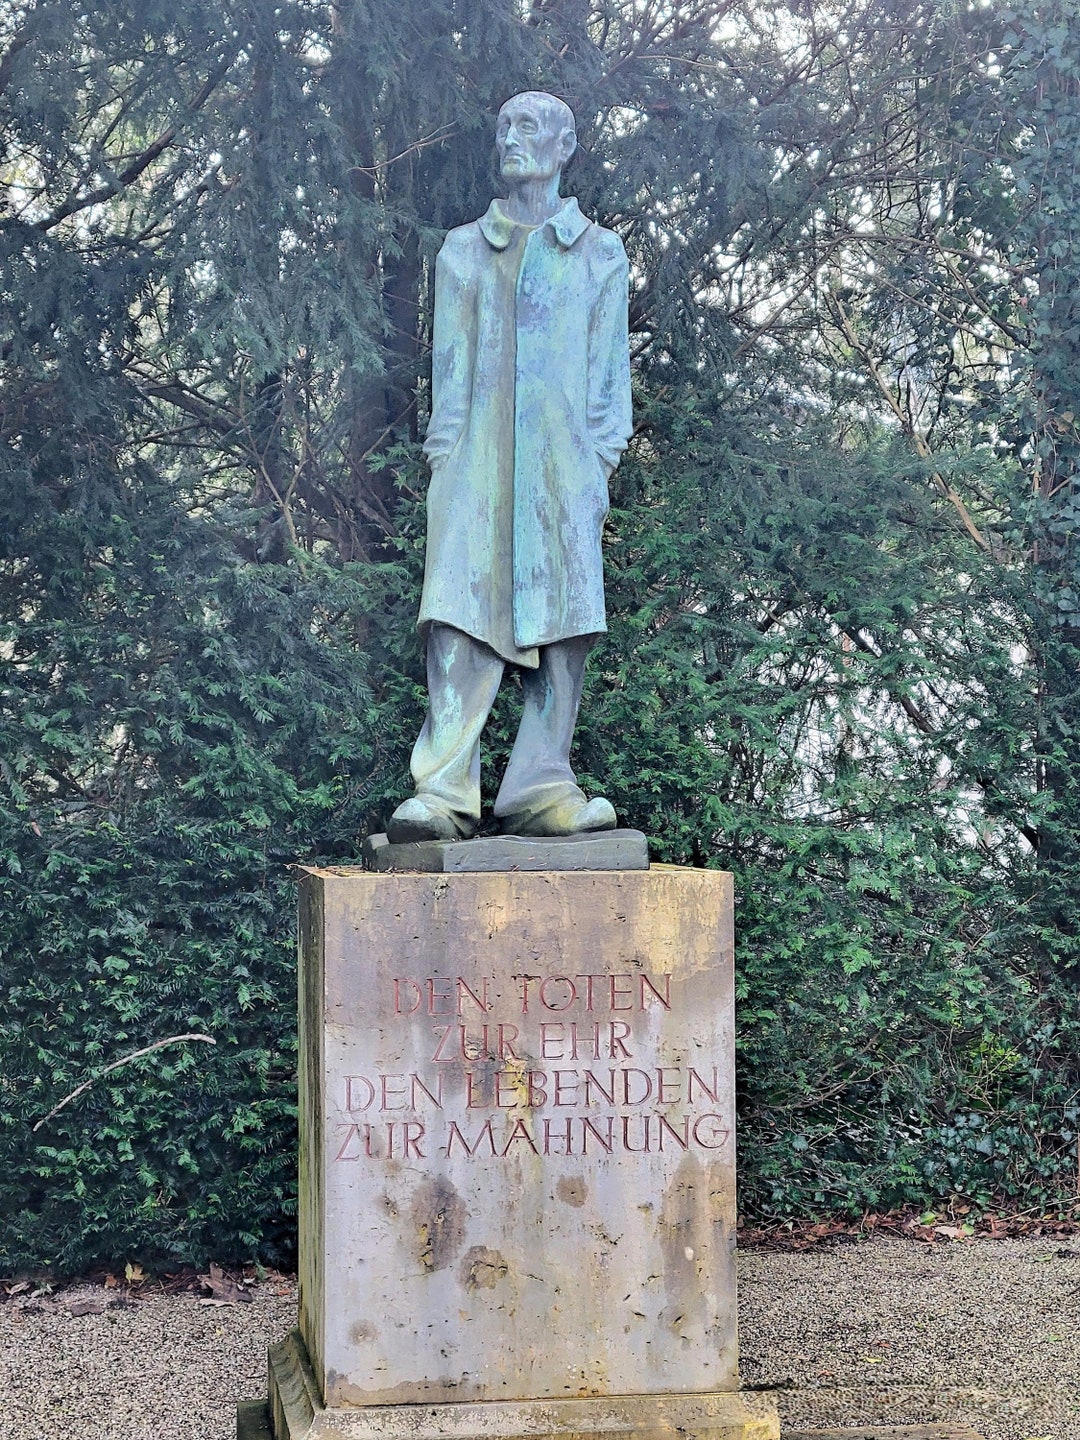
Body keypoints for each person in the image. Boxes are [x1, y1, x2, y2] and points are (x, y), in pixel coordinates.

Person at [387, 91, 633, 843]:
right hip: (475, 468)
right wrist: (443, 465)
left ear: (565, 147)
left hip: (564, 471)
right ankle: (443, 789)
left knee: (564, 630)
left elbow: (607, 384)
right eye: (503, 129)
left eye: (529, 128)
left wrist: (597, 467)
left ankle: (541, 784)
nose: (511, 140)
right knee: (458, 618)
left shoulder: (598, 253)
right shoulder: (464, 249)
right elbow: (450, 378)